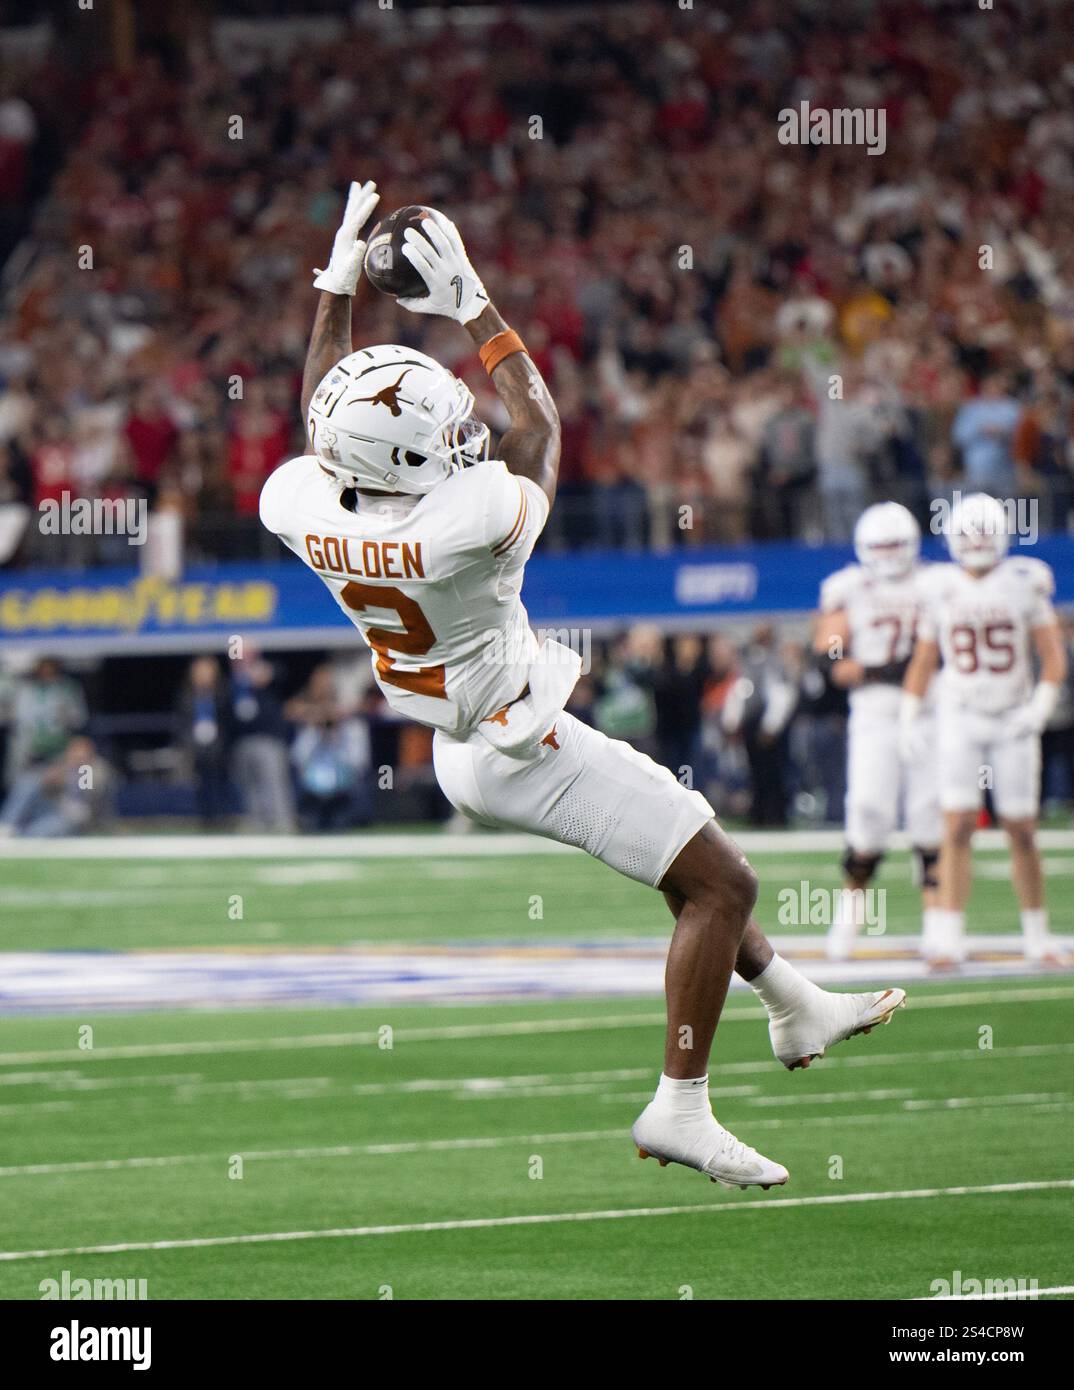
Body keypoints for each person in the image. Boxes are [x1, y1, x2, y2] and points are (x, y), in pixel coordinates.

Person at [259, 179, 907, 1190]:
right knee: (722, 881)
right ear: (406, 459)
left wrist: (335, 286)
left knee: (680, 855)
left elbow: (323, 410)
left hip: (465, 739)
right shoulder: (464, 522)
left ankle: (790, 1003)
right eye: (441, 438)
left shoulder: (305, 500)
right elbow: (542, 424)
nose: (463, 439)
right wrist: (473, 299)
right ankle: (679, 1104)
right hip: (516, 740)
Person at [901, 493, 1069, 967]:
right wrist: (909, 714)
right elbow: (925, 656)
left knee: (1021, 827)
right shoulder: (941, 586)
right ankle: (950, 936)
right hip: (960, 713)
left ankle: (1038, 935)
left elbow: (1052, 654)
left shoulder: (1023, 581)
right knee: (955, 823)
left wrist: (1040, 705)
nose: (976, 541)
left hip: (1013, 715)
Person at [813, 503, 942, 961]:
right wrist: (849, 662)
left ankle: (938, 921)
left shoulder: (935, 582)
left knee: (930, 814)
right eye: (880, 546)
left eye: (894, 545)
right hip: (874, 711)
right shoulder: (848, 586)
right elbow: (827, 651)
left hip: (930, 710)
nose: (887, 555)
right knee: (868, 811)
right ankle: (851, 915)